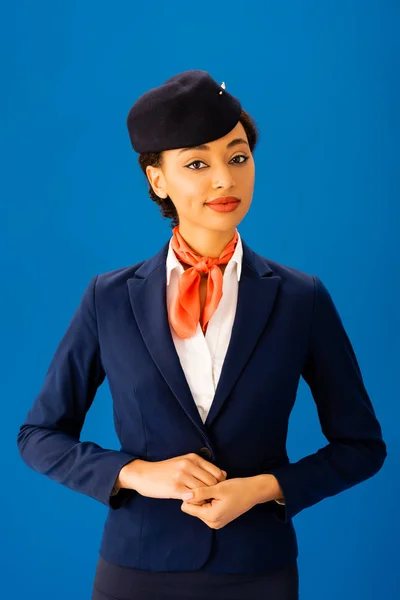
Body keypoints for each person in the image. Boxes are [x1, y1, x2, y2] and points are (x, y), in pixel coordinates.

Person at [17, 70, 387, 600]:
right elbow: (39, 437)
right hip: (136, 571)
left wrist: (264, 489)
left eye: (238, 157)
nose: (225, 180)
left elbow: (361, 446)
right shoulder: (108, 297)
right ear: (157, 179)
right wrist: (138, 474)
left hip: (259, 571)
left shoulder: (301, 297)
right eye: (197, 163)